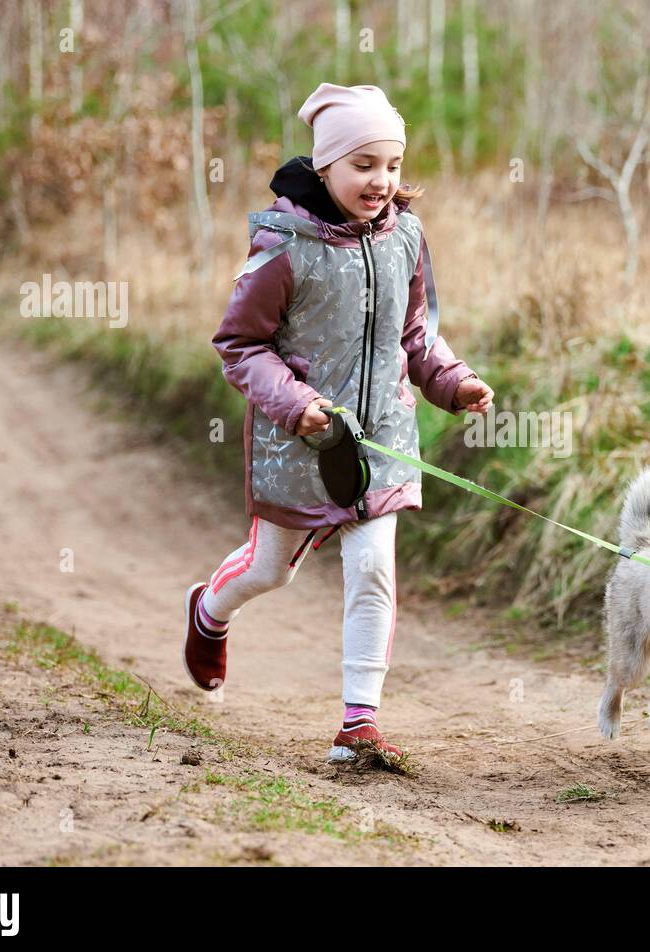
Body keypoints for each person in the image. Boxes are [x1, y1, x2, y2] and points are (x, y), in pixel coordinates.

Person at [182, 82, 493, 762]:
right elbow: (239, 345)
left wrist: (454, 380)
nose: (381, 180)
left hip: (381, 439)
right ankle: (208, 612)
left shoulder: (405, 237)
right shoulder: (283, 247)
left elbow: (415, 336)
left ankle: (359, 723)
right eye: (363, 164)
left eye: (391, 165)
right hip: (301, 443)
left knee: (374, 569)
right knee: (272, 572)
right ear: (325, 166)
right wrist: (297, 405)